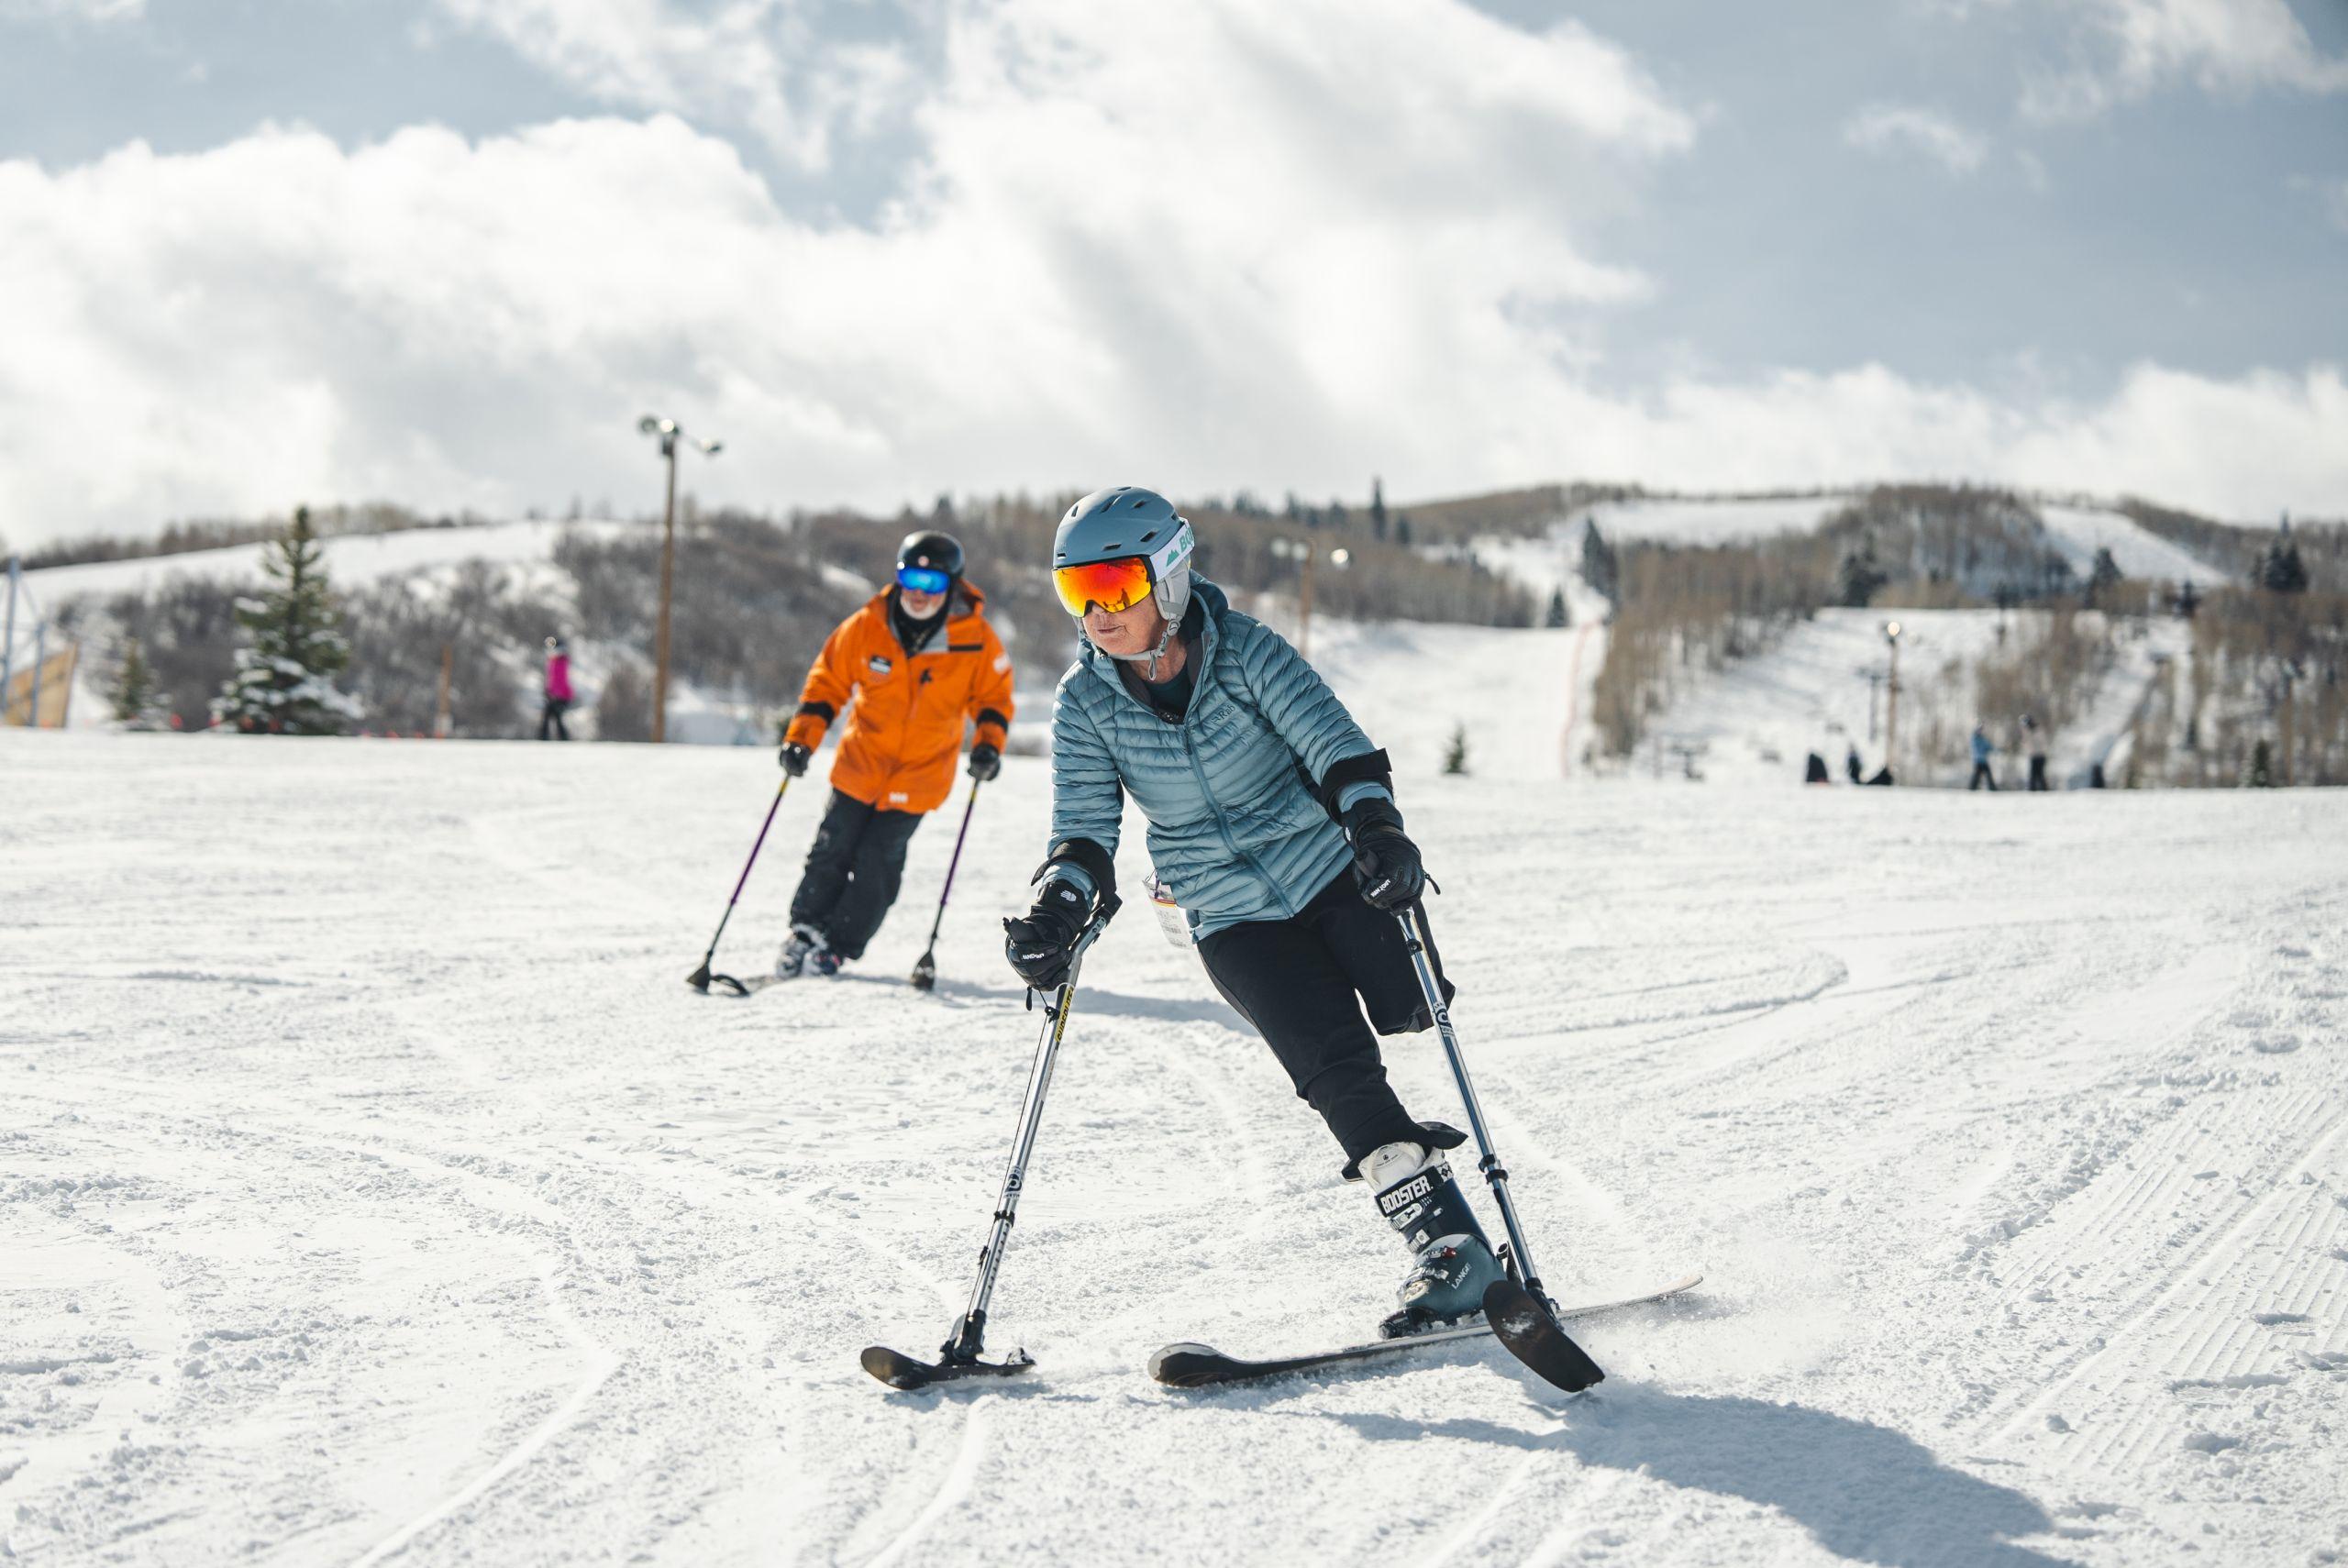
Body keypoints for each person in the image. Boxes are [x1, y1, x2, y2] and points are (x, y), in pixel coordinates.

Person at [1001, 485, 1497, 1341]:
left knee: (1409, 1003)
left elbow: (1335, 746)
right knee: (1332, 1067)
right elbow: (1083, 830)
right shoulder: (1085, 702)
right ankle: (1451, 1248)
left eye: (1115, 585)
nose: (1099, 612)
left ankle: (1457, 1212)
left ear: (1168, 577)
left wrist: (1378, 831)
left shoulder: (1247, 654)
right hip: (1227, 910)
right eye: (1078, 590)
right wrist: (1058, 908)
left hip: (1330, 867)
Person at [773, 532, 1013, 978]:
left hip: (920, 775)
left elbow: (994, 700)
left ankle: (839, 944)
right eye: (911, 579)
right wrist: (802, 738)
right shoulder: (868, 625)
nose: (920, 593)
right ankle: (804, 929)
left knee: (877, 863)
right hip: (860, 763)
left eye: (933, 583)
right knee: (831, 849)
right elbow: (827, 681)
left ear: (953, 586)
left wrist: (987, 747)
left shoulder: (976, 640)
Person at [539, 635, 573, 741]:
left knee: (555, 717)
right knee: (551, 717)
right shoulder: (553, 662)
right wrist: (548, 690)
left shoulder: (561, 662)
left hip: (560, 696)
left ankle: (560, 739)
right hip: (553, 695)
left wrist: (556, 694)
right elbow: (551, 680)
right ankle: (545, 738)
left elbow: (560, 680)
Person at [2021, 713, 2049, 791]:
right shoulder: (2027, 731)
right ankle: (2032, 789)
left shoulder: (2038, 730)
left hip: (2040, 755)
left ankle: (2044, 789)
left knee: (2040, 774)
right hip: (2033, 756)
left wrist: (2042, 751)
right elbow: (2026, 743)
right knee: (2033, 774)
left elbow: (2042, 742)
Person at [1967, 724, 1997, 790]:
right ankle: (1972, 788)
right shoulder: (1974, 739)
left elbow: (1989, 746)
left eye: (1981, 730)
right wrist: (1982, 752)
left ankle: (1992, 788)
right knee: (1976, 776)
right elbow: (1976, 749)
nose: (1980, 731)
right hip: (1978, 761)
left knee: (1988, 775)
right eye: (1979, 730)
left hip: (1984, 761)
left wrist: (1996, 750)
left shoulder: (1983, 739)